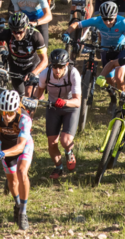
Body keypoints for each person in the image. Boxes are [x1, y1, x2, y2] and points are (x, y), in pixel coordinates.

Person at [0, 90, 35, 230]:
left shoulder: (24, 119)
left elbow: (21, 146)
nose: (7, 117)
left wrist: (2, 153)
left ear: (16, 109)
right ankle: (17, 204)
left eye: (10, 113)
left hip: (23, 145)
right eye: (4, 113)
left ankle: (23, 211)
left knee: (22, 172)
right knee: (12, 180)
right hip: (6, 145)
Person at [0, 11, 47, 95]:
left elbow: (45, 60)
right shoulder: (7, 33)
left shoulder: (36, 36)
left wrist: (34, 73)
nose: (17, 35)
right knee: (19, 94)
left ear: (26, 27)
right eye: (14, 32)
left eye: (20, 32)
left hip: (32, 66)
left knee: (28, 93)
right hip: (15, 66)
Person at [31, 48, 81, 179]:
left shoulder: (73, 73)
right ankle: (58, 167)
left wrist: (64, 102)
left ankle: (69, 152)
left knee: (65, 140)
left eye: (60, 67)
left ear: (66, 65)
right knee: (52, 143)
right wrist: (31, 112)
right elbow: (38, 95)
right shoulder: (45, 74)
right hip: (53, 107)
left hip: (70, 107)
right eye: (54, 67)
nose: (57, 70)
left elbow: (77, 102)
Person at [68, 1, 125, 92]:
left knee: (119, 78)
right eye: (105, 19)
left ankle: (122, 100)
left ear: (116, 15)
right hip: (105, 51)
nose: (107, 22)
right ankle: (113, 98)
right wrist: (66, 33)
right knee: (109, 81)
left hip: (121, 51)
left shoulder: (123, 22)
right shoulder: (97, 20)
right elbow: (76, 24)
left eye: (110, 19)